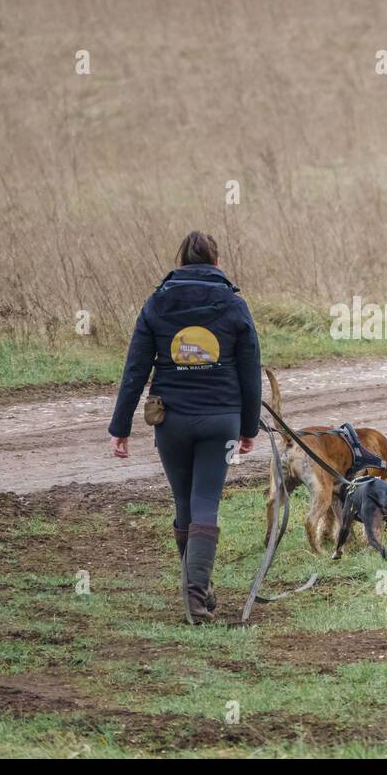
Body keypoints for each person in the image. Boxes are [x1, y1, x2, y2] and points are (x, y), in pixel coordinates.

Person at [108, 231, 261, 623]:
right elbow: (250, 373)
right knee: (206, 501)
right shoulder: (234, 305)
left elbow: (135, 369)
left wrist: (120, 426)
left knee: (184, 503)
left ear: (180, 260)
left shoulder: (157, 302)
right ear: (216, 261)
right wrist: (248, 428)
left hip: (170, 420)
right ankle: (196, 594)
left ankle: (197, 592)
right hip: (222, 420)